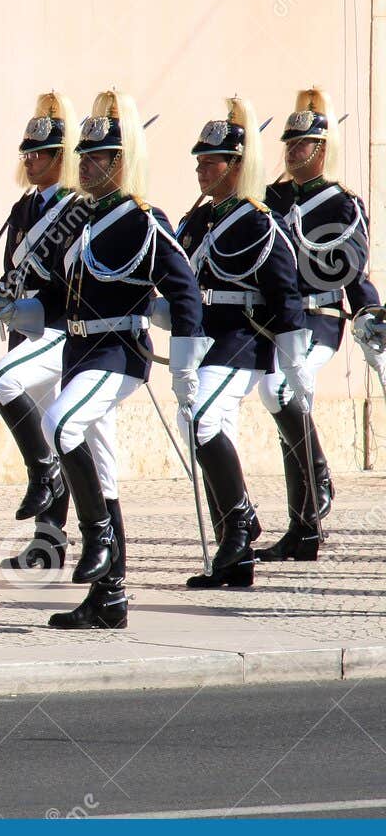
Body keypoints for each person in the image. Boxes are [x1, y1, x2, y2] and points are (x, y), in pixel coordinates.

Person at [0, 90, 203, 629]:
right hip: (81, 351)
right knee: (102, 470)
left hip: (119, 352)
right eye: (80, 156)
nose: (84, 164)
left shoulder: (144, 220)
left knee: (59, 423)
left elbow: (186, 295)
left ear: (119, 163)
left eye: (94, 157)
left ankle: (97, 536)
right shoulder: (81, 222)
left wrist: (185, 369)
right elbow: (58, 301)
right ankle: (110, 599)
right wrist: (13, 309)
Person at [173, 97, 308, 587]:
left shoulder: (258, 223)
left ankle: (242, 520)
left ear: (236, 165)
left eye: (210, 162)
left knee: (199, 417)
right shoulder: (195, 222)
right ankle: (235, 555)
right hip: (205, 341)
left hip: (243, 339)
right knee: (205, 428)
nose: (201, 170)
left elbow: (285, 296)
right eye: (199, 162)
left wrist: (297, 365)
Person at [254, 87, 382, 562]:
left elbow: (352, 267)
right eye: (288, 143)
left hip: (320, 317)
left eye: (301, 144)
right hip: (278, 321)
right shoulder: (270, 197)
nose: (292, 150)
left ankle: (318, 480)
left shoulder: (340, 202)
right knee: (278, 393)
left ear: (321, 149)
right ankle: (304, 528)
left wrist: (369, 314)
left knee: (284, 392)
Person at [0, 92, 89, 572]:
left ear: (59, 158)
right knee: (49, 429)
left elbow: (73, 280)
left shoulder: (77, 208)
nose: (29, 161)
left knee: (62, 435)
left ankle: (53, 489)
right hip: (29, 332)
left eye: (38, 154)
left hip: (62, 330)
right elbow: (15, 271)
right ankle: (48, 546)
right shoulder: (23, 209)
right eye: (26, 153)